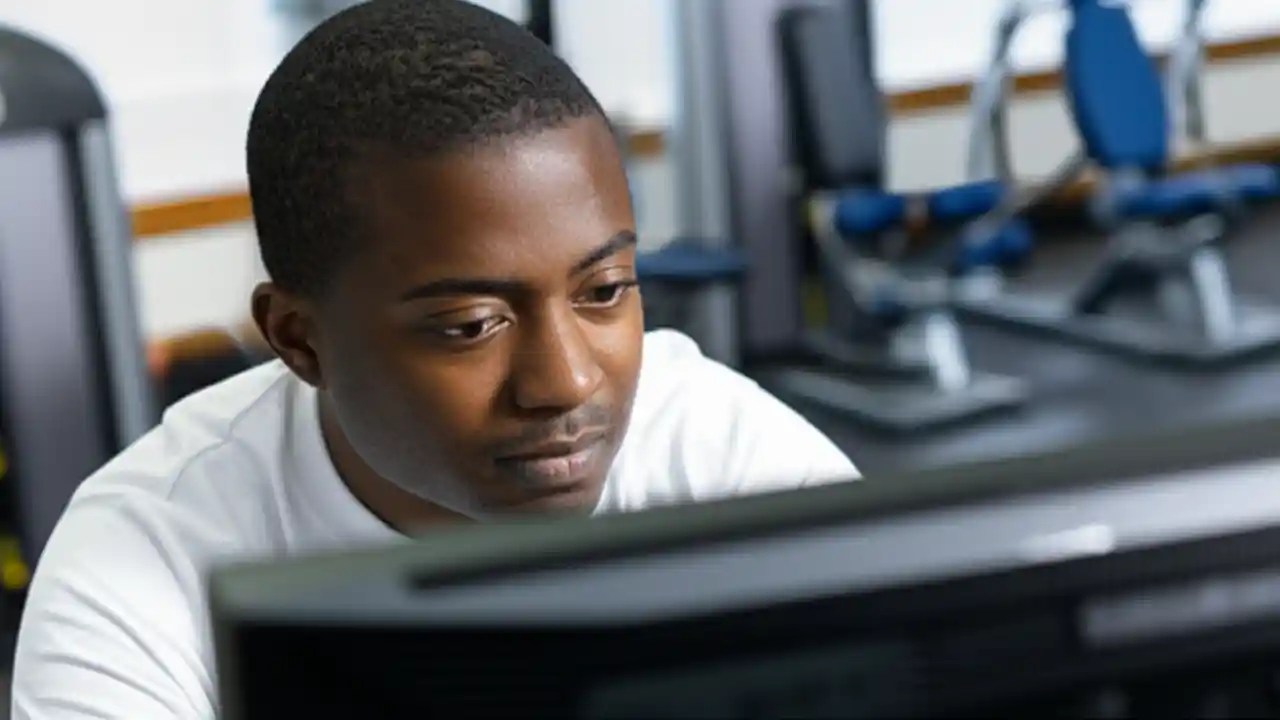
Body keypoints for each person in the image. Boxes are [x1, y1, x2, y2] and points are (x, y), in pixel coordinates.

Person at [11, 1, 857, 717]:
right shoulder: (143, 561)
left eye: (603, 291)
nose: (566, 381)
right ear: (299, 339)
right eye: (470, 326)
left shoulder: (729, 461)